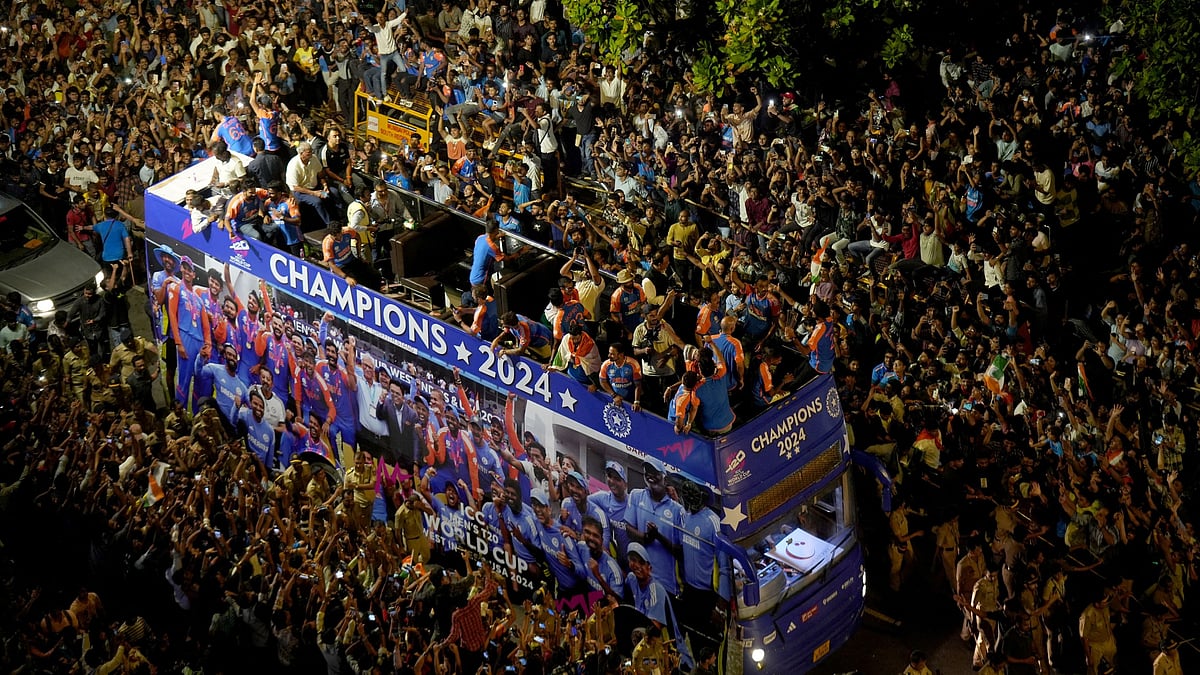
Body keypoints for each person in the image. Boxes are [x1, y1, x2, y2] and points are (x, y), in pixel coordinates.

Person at [322, 220, 381, 290]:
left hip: (352, 260)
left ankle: (378, 292)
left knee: (375, 275)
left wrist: (360, 256)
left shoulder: (347, 231)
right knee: (358, 282)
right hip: (340, 266)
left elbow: (358, 237)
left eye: (339, 234)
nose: (338, 237)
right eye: (335, 236)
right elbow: (332, 265)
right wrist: (346, 277)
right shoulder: (328, 243)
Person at [599, 342, 642, 411]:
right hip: (614, 398)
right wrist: (614, 395)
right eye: (609, 353)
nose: (609, 356)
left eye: (612, 354)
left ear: (621, 355)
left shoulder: (633, 364)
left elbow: (638, 385)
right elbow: (602, 381)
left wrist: (636, 401)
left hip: (630, 399)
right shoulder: (606, 365)